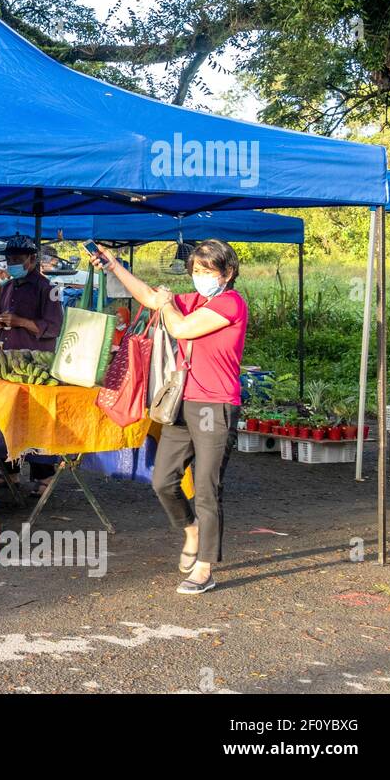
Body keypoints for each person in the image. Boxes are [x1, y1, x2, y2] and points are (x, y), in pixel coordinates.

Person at [92, 239, 247, 595]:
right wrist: (114, 265)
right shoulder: (195, 301)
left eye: (208, 271)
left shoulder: (230, 303)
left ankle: (205, 568)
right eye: (196, 270)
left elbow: (180, 329)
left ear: (227, 273)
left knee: (206, 488)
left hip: (214, 406)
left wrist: (165, 304)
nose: (200, 276)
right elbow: (150, 297)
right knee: (163, 480)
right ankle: (191, 529)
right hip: (181, 402)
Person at [0, 234, 64, 493]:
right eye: (9, 260)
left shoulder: (48, 288)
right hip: (9, 362)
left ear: (32, 259)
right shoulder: (5, 288)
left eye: (17, 259)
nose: (12, 264)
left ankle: (44, 475)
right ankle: (9, 472)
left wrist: (20, 321)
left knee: (36, 419)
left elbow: (53, 327)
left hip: (36, 365)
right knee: (7, 418)